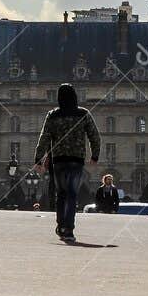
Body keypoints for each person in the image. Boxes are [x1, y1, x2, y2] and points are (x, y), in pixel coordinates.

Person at [33, 83, 101, 241]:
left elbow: (44, 137)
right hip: (76, 160)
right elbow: (95, 136)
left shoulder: (52, 115)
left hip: (59, 160)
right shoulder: (83, 113)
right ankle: (69, 229)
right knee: (72, 194)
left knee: (61, 194)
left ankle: (61, 226)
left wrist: (38, 159)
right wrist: (94, 156)